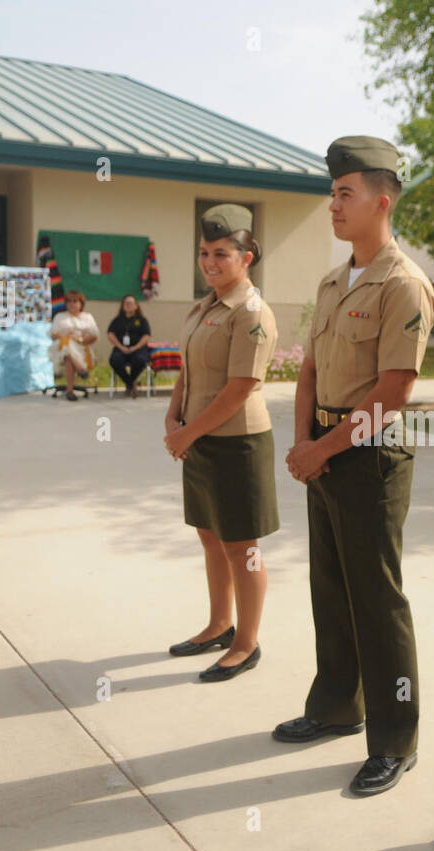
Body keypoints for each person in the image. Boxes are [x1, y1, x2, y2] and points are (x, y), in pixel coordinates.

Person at [275, 136, 434, 796]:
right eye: (332, 192)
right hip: (325, 447)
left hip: (369, 453)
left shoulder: (404, 285)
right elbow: (309, 365)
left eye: (345, 193)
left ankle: (395, 739)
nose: (333, 204)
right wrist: (303, 441)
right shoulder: (333, 280)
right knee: (331, 586)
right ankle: (337, 705)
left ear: (381, 201)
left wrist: (323, 447)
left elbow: (394, 390)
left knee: (377, 600)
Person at [164, 204, 279, 682]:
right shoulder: (205, 306)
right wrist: (174, 415)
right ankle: (218, 624)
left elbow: (239, 388)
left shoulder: (251, 313)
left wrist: (187, 430)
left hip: (237, 443)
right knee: (210, 536)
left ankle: (246, 642)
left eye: (222, 254)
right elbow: (189, 372)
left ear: (247, 257)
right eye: (204, 253)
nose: (210, 262)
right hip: (199, 439)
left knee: (242, 547)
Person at [50, 290, 99, 401]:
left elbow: (94, 336)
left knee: (68, 357)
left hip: (82, 348)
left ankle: (70, 391)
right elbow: (53, 334)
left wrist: (80, 339)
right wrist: (66, 336)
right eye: (69, 301)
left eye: (75, 301)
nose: (72, 304)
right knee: (67, 346)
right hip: (61, 347)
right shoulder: (60, 316)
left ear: (81, 303)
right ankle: (81, 369)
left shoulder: (87, 317)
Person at [108, 294, 152, 397]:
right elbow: (110, 334)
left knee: (140, 360)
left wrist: (135, 347)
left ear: (136, 305)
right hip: (121, 349)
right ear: (122, 306)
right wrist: (121, 347)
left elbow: (146, 336)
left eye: (131, 303)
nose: (128, 305)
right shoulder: (117, 320)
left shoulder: (142, 320)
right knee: (115, 360)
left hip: (138, 349)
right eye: (126, 303)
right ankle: (131, 383)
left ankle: (130, 383)